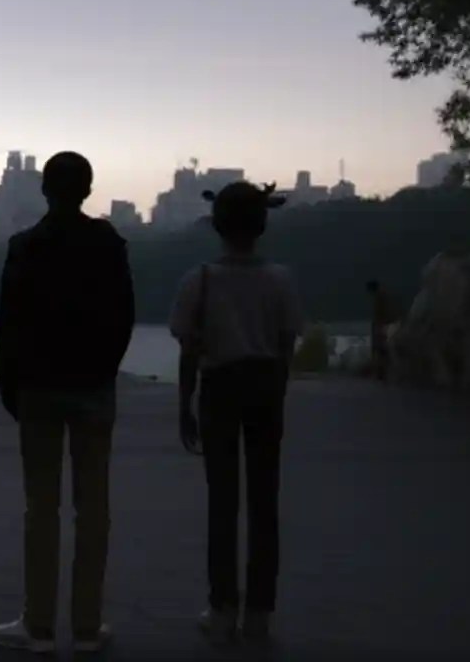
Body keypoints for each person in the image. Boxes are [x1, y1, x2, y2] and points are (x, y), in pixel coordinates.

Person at [0, 152, 134, 655]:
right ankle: (88, 626)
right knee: (94, 508)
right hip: (93, 385)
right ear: (88, 189)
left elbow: (9, 323)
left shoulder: (25, 246)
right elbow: (124, 316)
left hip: (39, 386)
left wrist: (9, 383)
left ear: (44, 190)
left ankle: (39, 624)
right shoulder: (109, 244)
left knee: (41, 507)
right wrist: (105, 369)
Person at [169, 182, 303, 644]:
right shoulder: (280, 279)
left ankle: (222, 607)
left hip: (219, 389)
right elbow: (287, 345)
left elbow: (188, 348)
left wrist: (184, 404)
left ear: (218, 226)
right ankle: (260, 612)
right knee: (265, 503)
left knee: (222, 503)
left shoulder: (199, 280)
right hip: (266, 386)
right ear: (262, 225)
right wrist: (278, 391)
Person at [366, 279, 396, 381]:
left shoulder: (379, 297)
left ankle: (381, 374)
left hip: (382, 326)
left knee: (381, 350)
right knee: (383, 350)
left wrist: (378, 326)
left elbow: (379, 314)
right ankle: (383, 373)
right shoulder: (384, 295)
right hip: (386, 325)